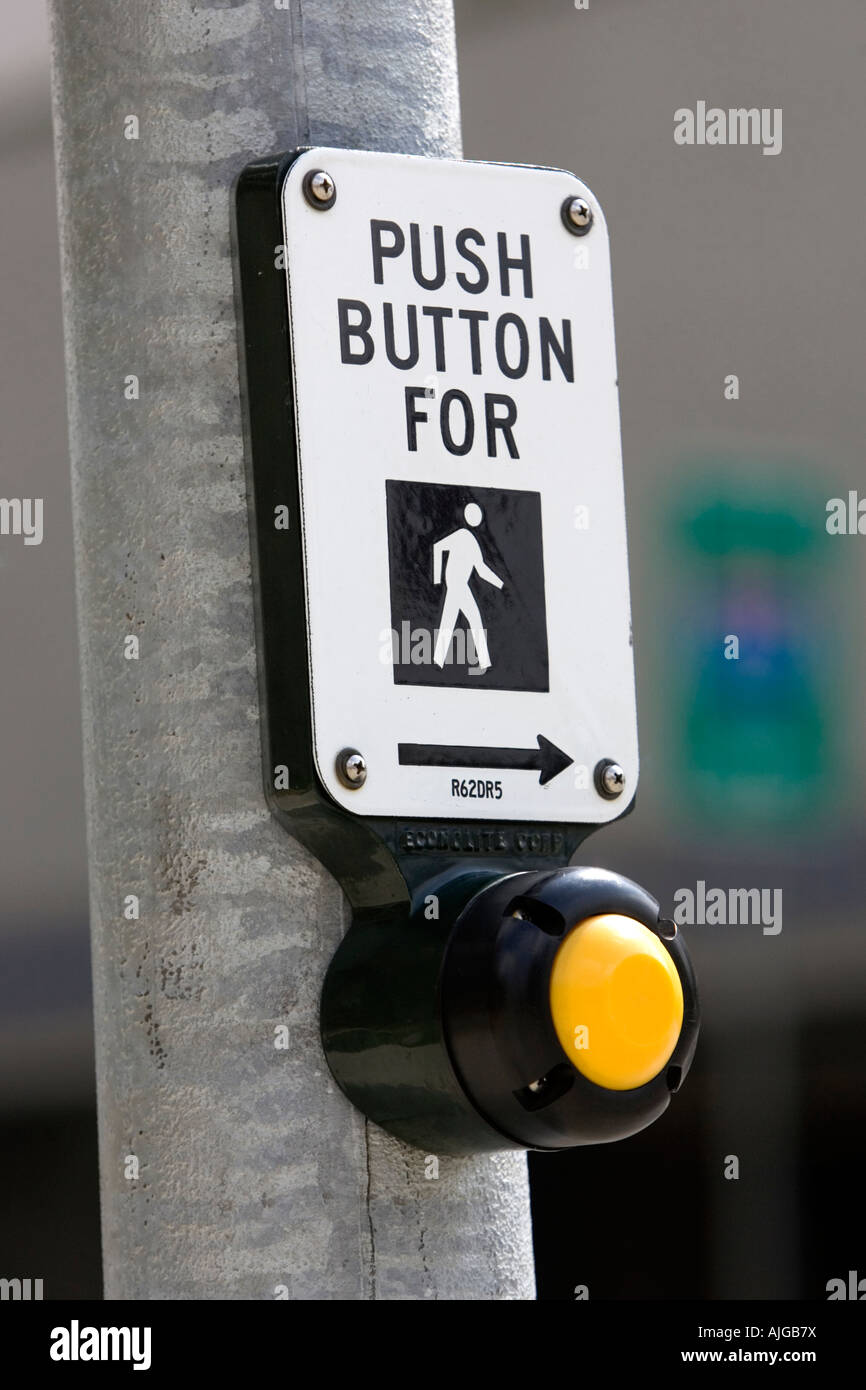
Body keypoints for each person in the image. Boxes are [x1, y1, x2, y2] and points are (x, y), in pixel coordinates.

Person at [432, 503, 504, 671]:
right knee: (471, 620)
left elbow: (481, 570)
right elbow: (438, 547)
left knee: (450, 621)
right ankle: (483, 663)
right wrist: (437, 579)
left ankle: (438, 660)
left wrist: (500, 584)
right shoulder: (462, 535)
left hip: (459, 585)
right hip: (457, 585)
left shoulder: (472, 542)